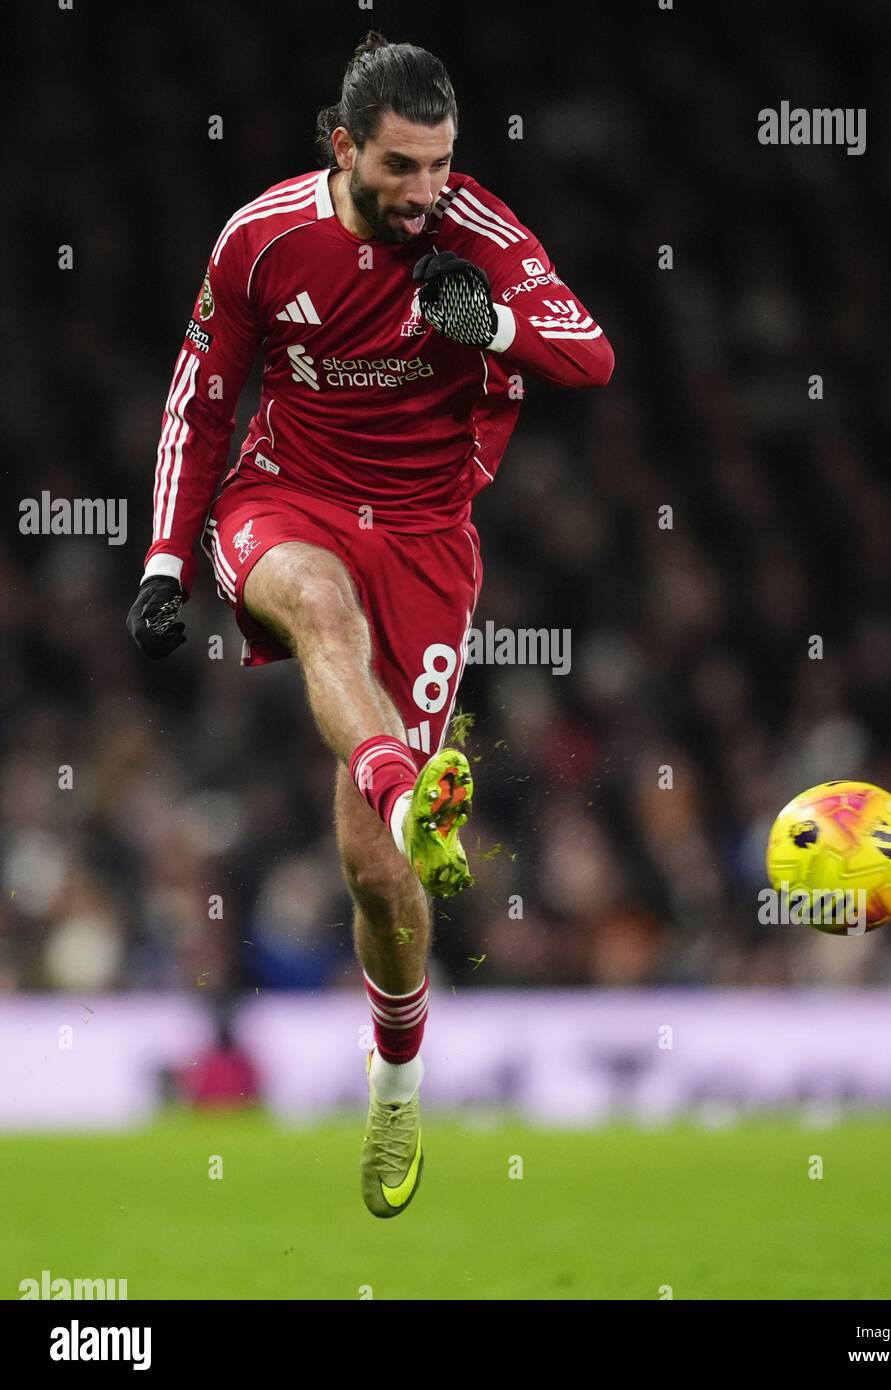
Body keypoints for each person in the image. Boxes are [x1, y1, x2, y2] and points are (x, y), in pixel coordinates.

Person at [127, 29, 614, 1217]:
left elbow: (592, 360)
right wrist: (161, 558)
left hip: (426, 540)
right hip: (283, 501)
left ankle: (394, 1086)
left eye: (441, 163)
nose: (425, 192)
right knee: (321, 618)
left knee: (378, 880)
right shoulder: (260, 239)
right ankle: (410, 779)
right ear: (344, 147)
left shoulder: (479, 236)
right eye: (402, 167)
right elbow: (201, 398)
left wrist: (490, 326)